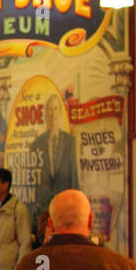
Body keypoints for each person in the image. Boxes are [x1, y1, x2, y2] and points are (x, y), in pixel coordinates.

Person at [31, 94, 79, 226]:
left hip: (65, 207)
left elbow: (73, 175)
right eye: (50, 110)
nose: (53, 114)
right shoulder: (36, 144)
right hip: (42, 208)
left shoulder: (69, 141)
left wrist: (75, 206)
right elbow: (32, 180)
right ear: (45, 114)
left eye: (56, 109)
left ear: (60, 112)